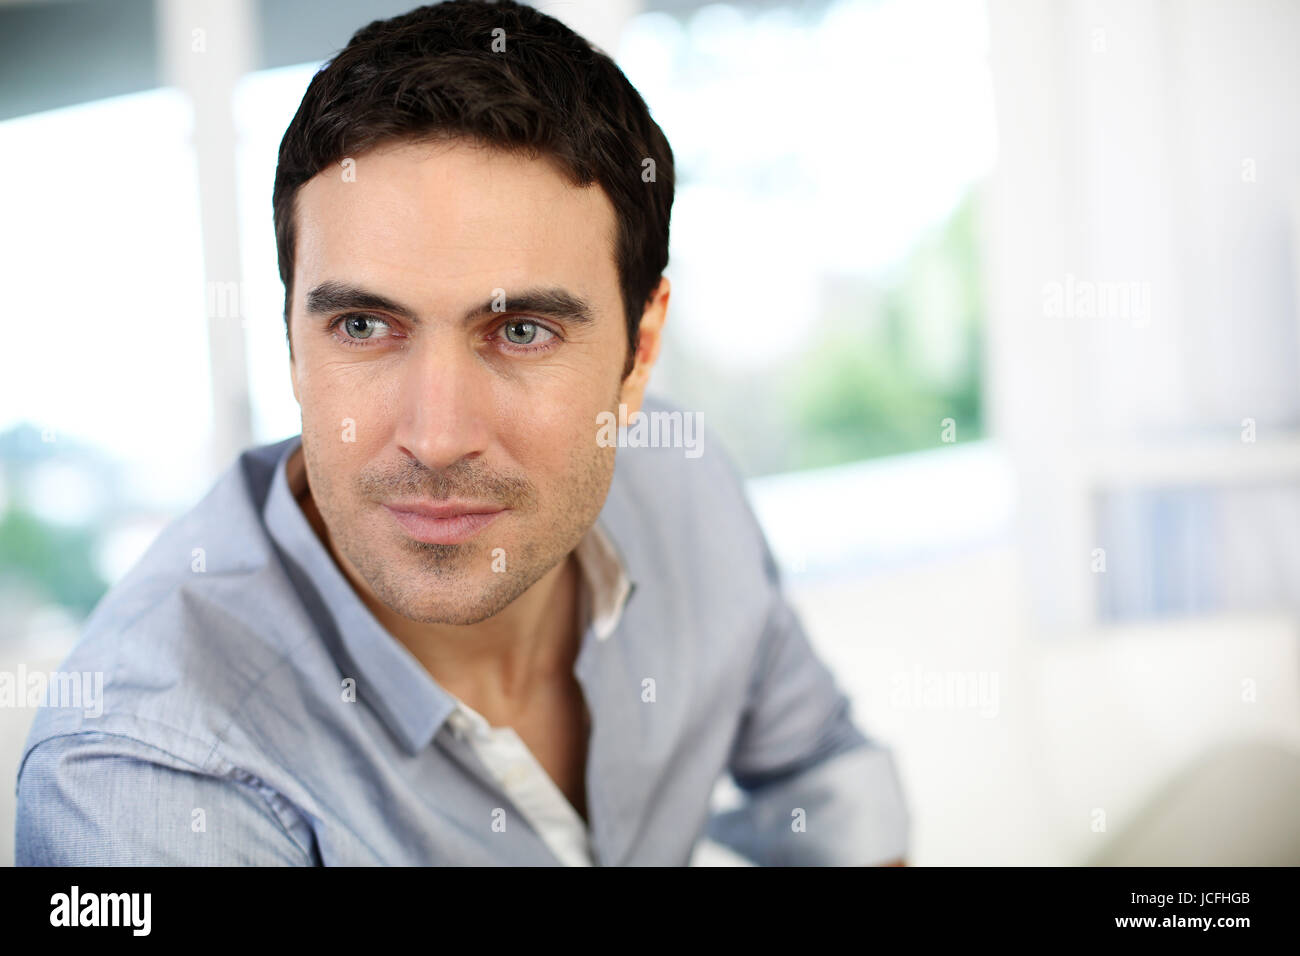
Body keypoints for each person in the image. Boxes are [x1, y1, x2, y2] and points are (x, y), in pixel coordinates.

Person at [15, 0, 908, 866]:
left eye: (521, 331)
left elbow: (822, 775)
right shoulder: (149, 775)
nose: (437, 440)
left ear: (637, 356)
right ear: (292, 343)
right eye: (363, 326)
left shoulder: (682, 485)